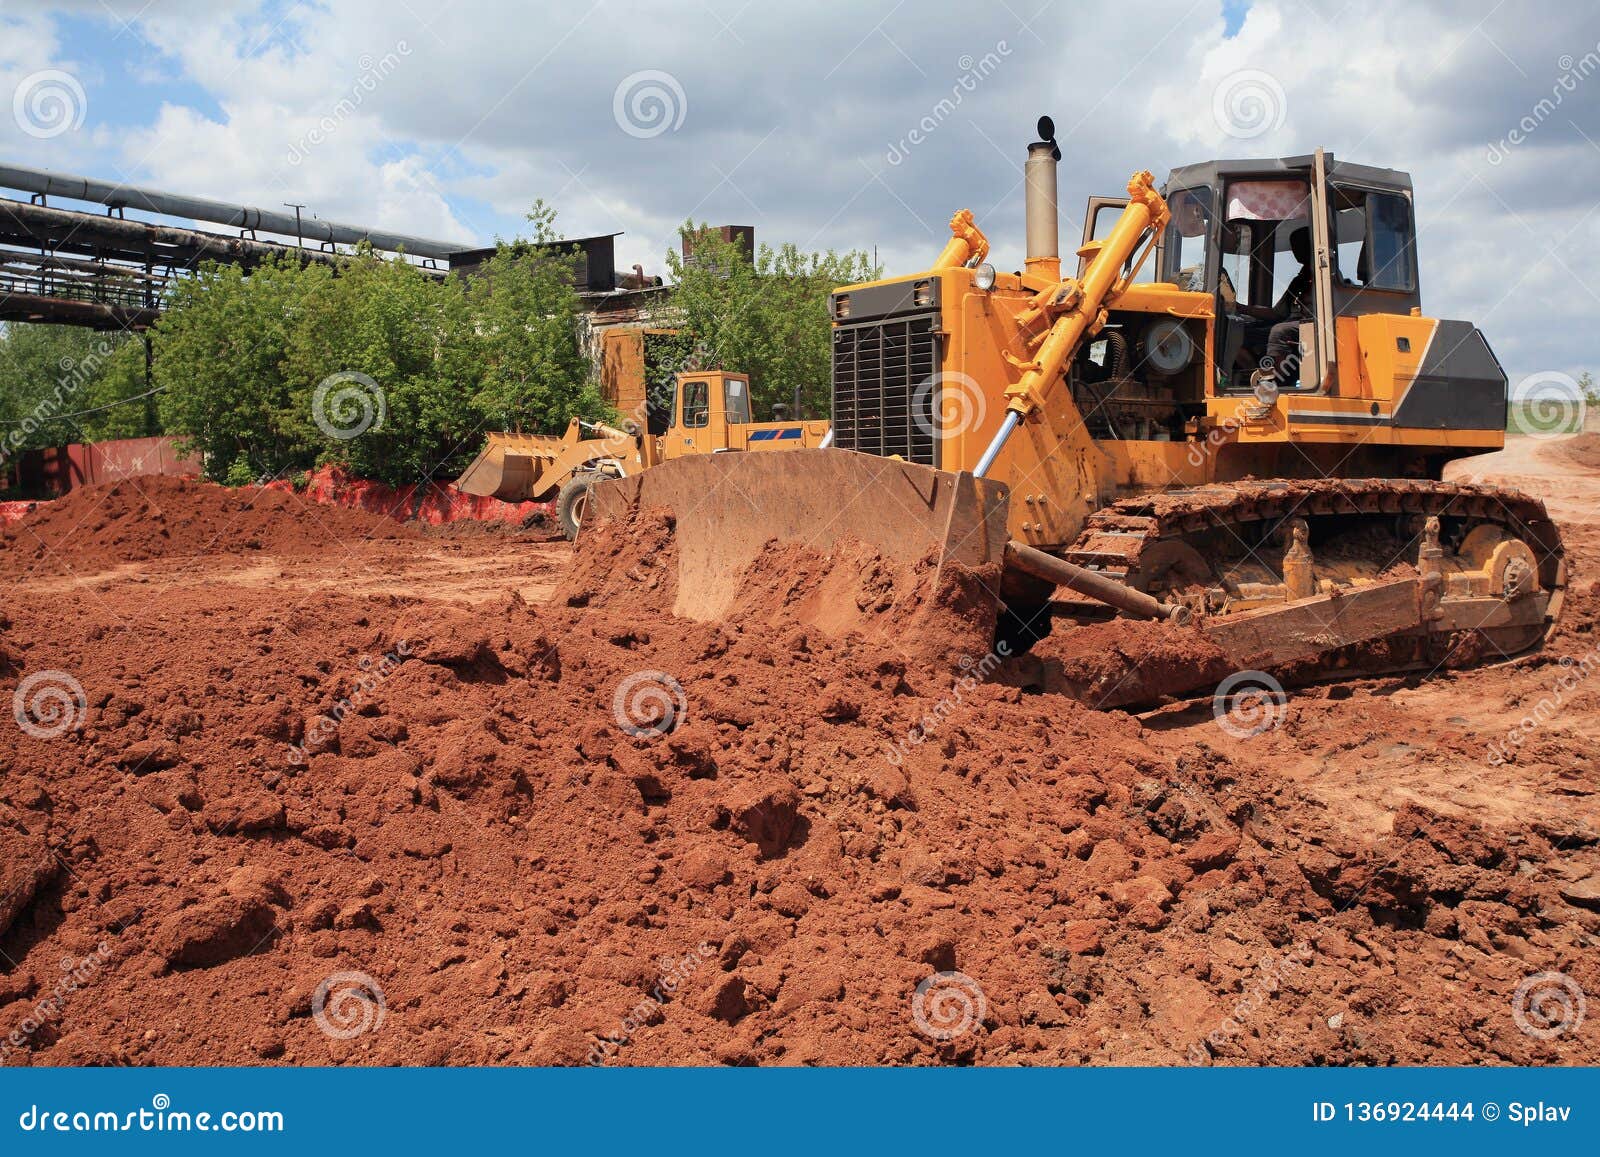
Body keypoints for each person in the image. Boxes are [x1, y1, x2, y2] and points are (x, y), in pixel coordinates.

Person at [1238, 226, 1313, 390]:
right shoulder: (1298, 280)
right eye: (1294, 245)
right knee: (1239, 331)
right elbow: (1277, 313)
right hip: (1292, 323)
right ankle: (1251, 377)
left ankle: (1274, 386)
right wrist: (1242, 309)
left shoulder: (1326, 277)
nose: (1296, 250)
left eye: (1300, 245)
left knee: (1280, 331)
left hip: (1312, 327)